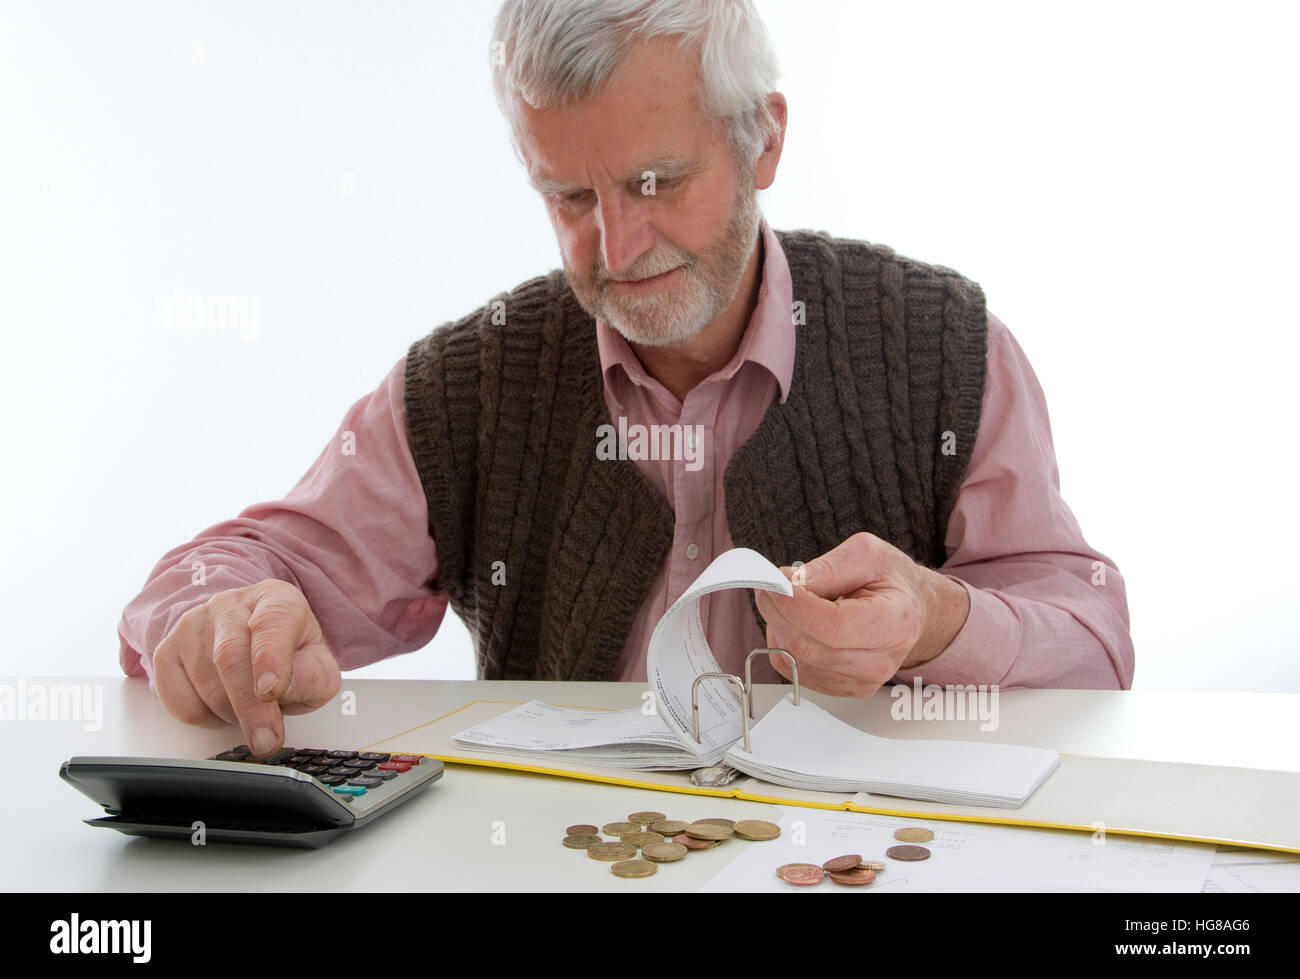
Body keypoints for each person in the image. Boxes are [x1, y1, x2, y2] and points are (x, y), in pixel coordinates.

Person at [118, 0, 1133, 758]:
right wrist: (220, 619)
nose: (615, 243)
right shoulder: (475, 380)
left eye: (656, 182)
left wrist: (937, 620)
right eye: (567, 194)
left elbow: (1093, 636)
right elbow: (225, 567)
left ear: (763, 139)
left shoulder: (941, 346)